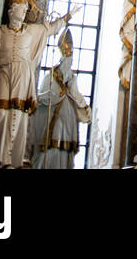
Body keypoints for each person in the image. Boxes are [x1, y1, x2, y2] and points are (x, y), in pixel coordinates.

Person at [0, 0, 76, 168]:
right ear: (12, 10)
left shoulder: (31, 31)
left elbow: (49, 29)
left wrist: (67, 17)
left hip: (23, 78)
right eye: (21, 6)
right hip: (3, 74)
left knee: (17, 116)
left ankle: (9, 160)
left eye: (26, 7)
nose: (25, 9)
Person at [32, 29, 91, 170]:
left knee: (65, 148)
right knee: (53, 143)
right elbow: (44, 96)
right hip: (53, 116)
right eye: (67, 59)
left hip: (69, 116)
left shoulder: (71, 78)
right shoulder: (50, 77)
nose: (69, 63)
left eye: (71, 60)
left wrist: (84, 107)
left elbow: (76, 94)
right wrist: (48, 96)